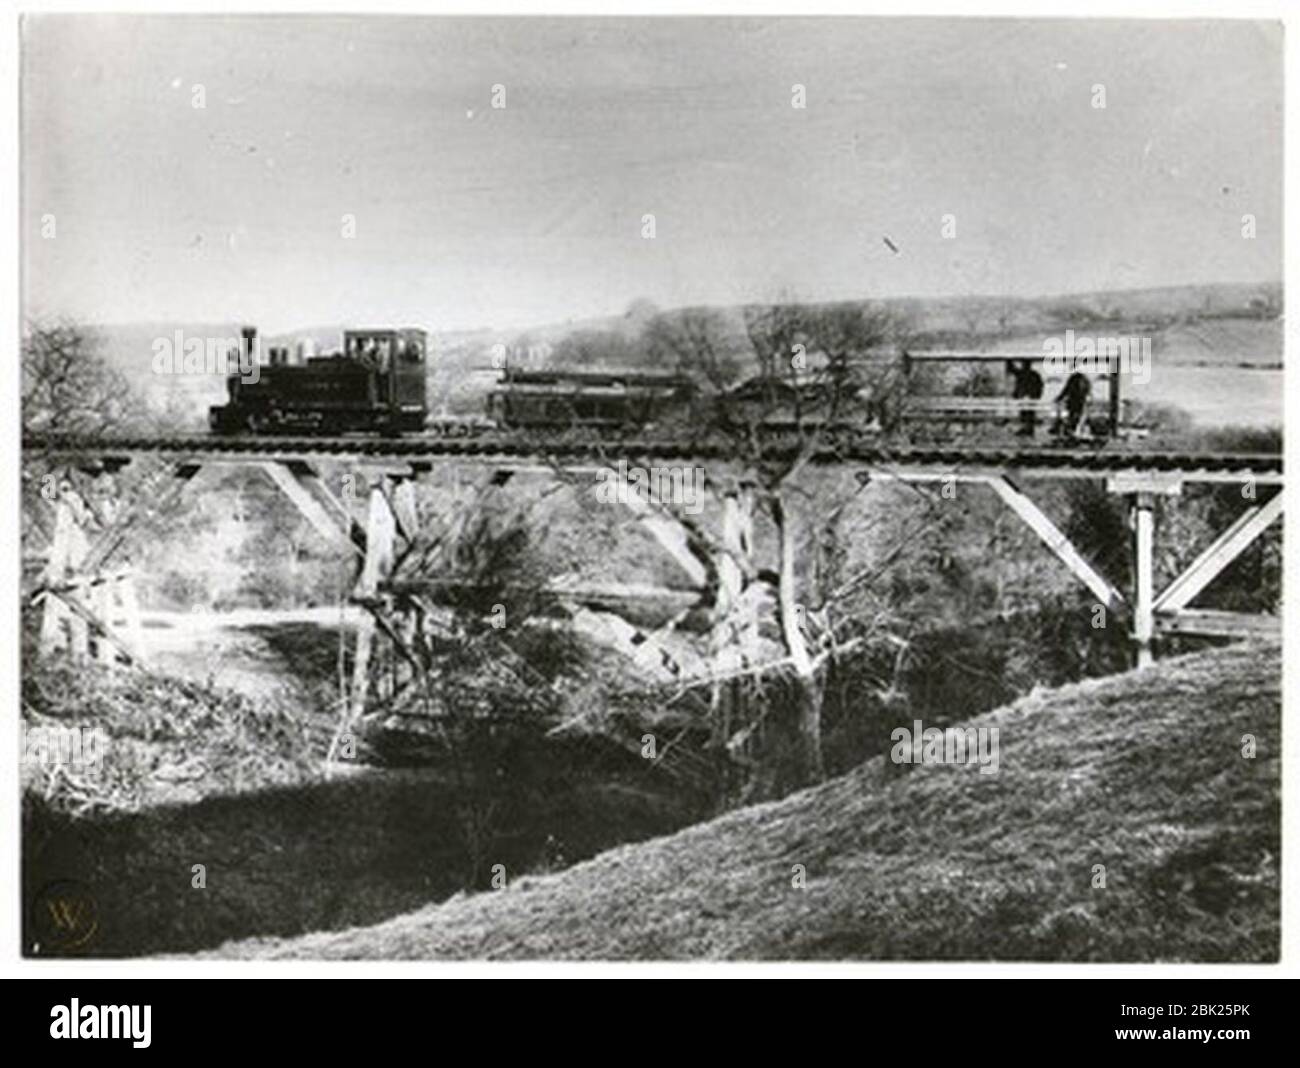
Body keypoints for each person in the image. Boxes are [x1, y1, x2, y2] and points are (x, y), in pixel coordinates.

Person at [1007, 360, 1044, 437]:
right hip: (1028, 397)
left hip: (1027, 397)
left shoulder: (1024, 374)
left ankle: (1028, 429)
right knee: (1027, 413)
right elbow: (1040, 386)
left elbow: (1012, 370)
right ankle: (1027, 429)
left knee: (1027, 413)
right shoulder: (1033, 374)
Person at [1056, 371, 1092, 438]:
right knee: (1077, 417)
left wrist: (1059, 398)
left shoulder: (1076, 380)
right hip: (1077, 402)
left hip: (1075, 402)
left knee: (1074, 416)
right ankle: (1075, 431)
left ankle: (1073, 431)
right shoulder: (1084, 381)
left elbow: (1065, 390)